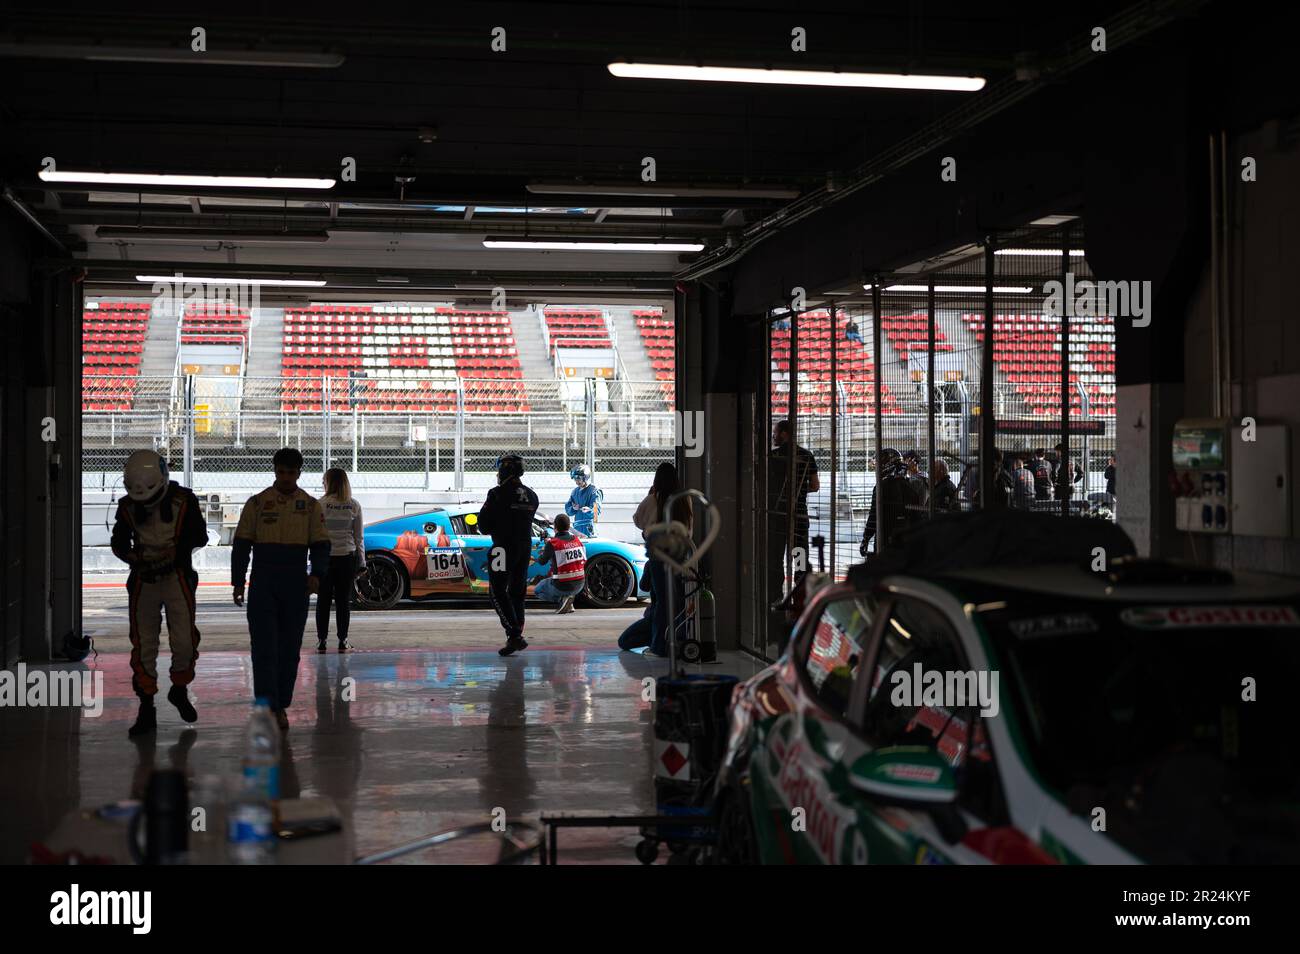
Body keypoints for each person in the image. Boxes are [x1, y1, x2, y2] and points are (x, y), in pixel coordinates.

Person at [231, 447, 330, 732]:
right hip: (263, 581)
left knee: (289, 649)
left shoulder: (311, 506)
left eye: (291, 472)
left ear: (299, 473)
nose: (286, 477)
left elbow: (321, 545)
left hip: (295, 582)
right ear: (274, 470)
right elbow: (241, 545)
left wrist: (316, 574)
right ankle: (268, 705)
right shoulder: (258, 504)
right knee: (263, 648)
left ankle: (281, 704)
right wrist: (239, 581)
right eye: (281, 471)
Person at [111, 450, 208, 737]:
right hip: (143, 579)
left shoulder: (184, 500)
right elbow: (118, 540)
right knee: (143, 644)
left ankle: (179, 689)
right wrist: (131, 557)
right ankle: (146, 707)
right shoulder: (127, 506)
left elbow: (199, 536)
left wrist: (173, 556)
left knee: (185, 641)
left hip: (177, 576)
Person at [478, 453, 539, 657]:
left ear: (504, 470)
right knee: (517, 591)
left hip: (501, 548)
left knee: (496, 591)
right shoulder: (532, 495)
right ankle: (515, 634)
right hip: (525, 546)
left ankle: (514, 634)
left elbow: (483, 526)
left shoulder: (496, 493)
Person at [635, 462, 693, 657]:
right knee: (676, 599)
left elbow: (638, 520)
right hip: (680, 556)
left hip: (659, 557)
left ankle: (659, 646)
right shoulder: (685, 500)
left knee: (661, 601)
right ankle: (677, 639)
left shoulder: (654, 498)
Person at [767, 420, 819, 605]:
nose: (773, 435)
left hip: (777, 514)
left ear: (784, 433)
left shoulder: (772, 457)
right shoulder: (807, 455)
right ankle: (800, 594)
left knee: (775, 554)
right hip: (799, 512)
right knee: (799, 553)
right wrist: (800, 489)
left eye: (775, 432)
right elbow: (815, 485)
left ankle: (774, 595)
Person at [316, 467, 364, 654]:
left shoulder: (319, 505)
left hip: (325, 559)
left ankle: (322, 641)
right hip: (347, 558)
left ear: (328, 483)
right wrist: (362, 562)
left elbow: (315, 535)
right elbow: (359, 537)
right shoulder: (354, 505)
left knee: (323, 601)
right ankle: (343, 640)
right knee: (343, 601)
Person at [860, 448, 925, 556]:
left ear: (886, 466)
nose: (876, 469)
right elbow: (916, 516)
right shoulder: (910, 486)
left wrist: (865, 539)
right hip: (905, 539)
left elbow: (874, 516)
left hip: (885, 539)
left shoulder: (881, 487)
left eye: (878, 466)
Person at [533, 513, 586, 615]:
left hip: (562, 585)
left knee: (538, 590)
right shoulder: (577, 540)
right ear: (569, 526)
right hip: (580, 584)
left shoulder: (553, 543)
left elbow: (542, 562)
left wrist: (543, 552)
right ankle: (568, 601)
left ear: (555, 527)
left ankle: (563, 599)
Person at [564, 464, 603, 537]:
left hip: (589, 529)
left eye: (578, 479)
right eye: (575, 479)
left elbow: (596, 512)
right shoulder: (575, 492)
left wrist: (589, 510)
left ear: (585, 477)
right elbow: (568, 509)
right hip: (577, 529)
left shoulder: (594, 490)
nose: (576, 481)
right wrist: (573, 508)